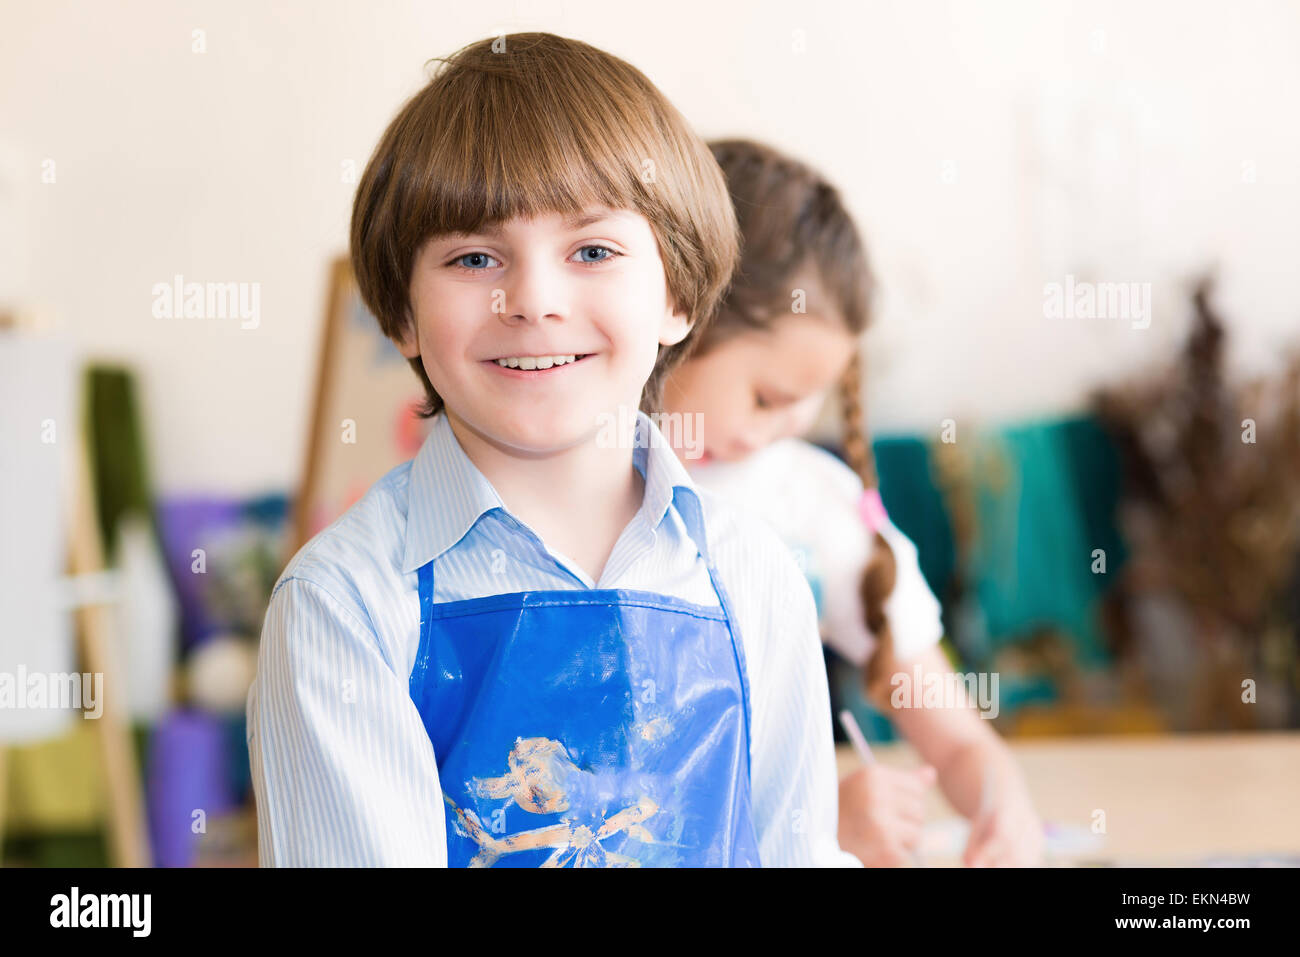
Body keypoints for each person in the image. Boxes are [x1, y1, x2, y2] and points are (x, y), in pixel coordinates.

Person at [246, 35, 860, 867]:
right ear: (400, 315)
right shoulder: (343, 605)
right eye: (474, 256)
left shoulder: (755, 576)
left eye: (593, 251)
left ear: (677, 294)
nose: (532, 299)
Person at [663, 138, 1045, 866]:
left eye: (806, 406)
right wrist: (816, 822)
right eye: (766, 396)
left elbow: (958, 738)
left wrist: (1004, 803)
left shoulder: (806, 501)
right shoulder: (573, 489)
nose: (778, 430)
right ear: (677, 319)